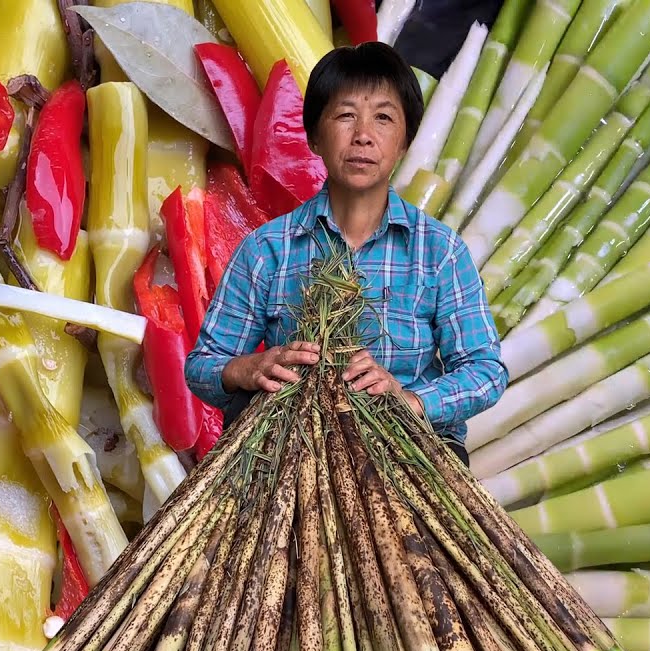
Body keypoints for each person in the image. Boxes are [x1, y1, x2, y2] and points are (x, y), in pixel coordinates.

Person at [185, 41, 507, 469]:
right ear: (315, 137)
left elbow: (485, 371)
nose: (363, 135)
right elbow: (203, 364)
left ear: (405, 141)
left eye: (383, 117)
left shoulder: (440, 251)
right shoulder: (267, 249)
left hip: (411, 452)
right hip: (289, 450)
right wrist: (245, 368)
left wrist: (409, 399)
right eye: (345, 115)